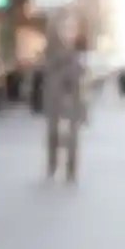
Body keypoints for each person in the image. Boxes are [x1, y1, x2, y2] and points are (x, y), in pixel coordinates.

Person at [44, 18, 86, 181]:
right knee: (54, 134)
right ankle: (53, 165)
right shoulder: (53, 53)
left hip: (71, 100)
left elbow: (80, 81)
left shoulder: (77, 55)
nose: (69, 32)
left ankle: (70, 168)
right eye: (65, 28)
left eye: (71, 29)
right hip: (56, 99)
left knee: (72, 136)